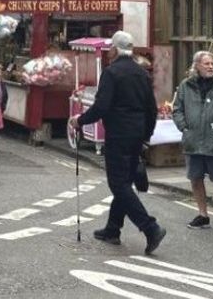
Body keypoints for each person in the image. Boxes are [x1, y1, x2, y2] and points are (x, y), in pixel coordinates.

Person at [69, 31, 167, 256]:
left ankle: (150, 228)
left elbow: (101, 106)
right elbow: (151, 108)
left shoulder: (111, 73)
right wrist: (146, 136)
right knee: (125, 182)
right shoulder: (141, 73)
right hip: (137, 136)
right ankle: (113, 229)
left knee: (119, 184)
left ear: (113, 50)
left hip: (119, 136)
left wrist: (80, 120)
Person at [172, 51, 213, 234]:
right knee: (195, 179)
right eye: (207, 64)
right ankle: (203, 215)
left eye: (212, 64)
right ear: (197, 66)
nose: (211, 67)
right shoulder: (186, 86)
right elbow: (176, 109)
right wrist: (183, 127)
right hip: (192, 141)